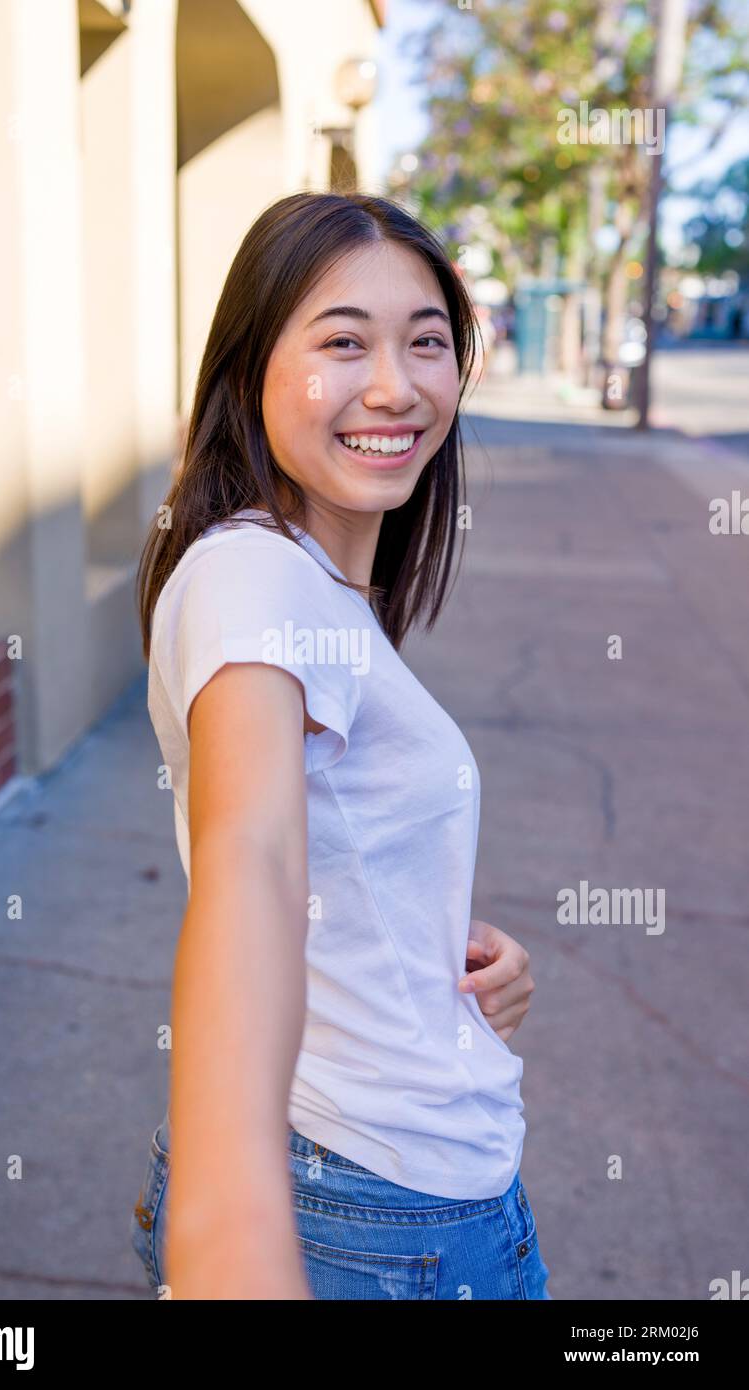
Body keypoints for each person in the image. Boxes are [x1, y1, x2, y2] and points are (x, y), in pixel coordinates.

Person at [129, 191, 551, 1300]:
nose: (393, 386)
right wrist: (228, 1251)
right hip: (369, 1214)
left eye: (425, 342)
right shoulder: (254, 574)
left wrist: (435, 952)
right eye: (341, 342)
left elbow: (318, 851)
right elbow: (253, 862)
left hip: (378, 1193)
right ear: (248, 366)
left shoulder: (306, 581)